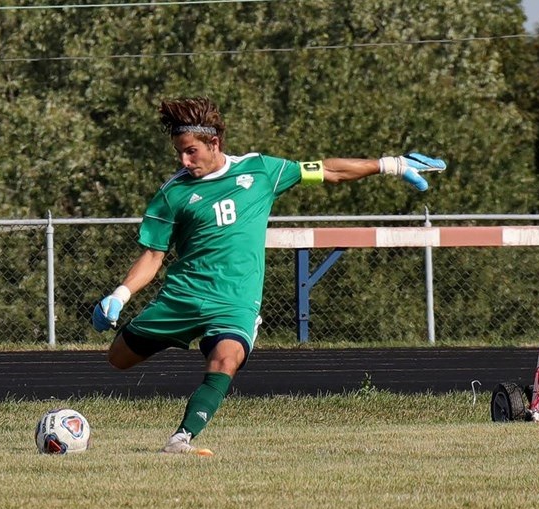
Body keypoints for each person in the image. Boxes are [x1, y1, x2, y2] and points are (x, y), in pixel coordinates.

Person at [92, 96, 446, 456]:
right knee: (118, 359)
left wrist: (392, 164)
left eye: (190, 151)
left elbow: (329, 170)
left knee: (226, 359)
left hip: (234, 300)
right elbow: (153, 255)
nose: (183, 161)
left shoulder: (262, 171)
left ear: (214, 144)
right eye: (179, 153)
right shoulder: (172, 194)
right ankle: (182, 336)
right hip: (182, 297)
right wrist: (120, 294)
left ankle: (181, 439)